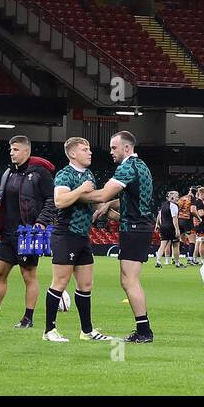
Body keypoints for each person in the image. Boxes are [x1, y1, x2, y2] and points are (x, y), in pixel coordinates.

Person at [0, 136, 56, 329]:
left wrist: (41, 222)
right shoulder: (8, 173)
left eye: (15, 149)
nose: (11, 152)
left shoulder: (41, 174)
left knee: (28, 275)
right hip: (8, 233)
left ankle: (28, 318)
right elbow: (1, 200)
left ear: (27, 151)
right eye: (11, 149)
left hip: (28, 233)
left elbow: (52, 200)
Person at [85, 131, 155, 342]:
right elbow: (129, 198)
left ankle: (144, 331)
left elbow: (103, 194)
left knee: (129, 280)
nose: (111, 152)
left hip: (134, 228)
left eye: (114, 148)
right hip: (140, 227)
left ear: (126, 148)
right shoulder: (141, 166)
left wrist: (75, 195)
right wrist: (108, 204)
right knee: (129, 280)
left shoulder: (127, 167)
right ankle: (143, 330)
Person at [43, 136, 112, 343]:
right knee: (60, 282)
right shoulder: (65, 175)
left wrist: (107, 206)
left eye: (89, 149)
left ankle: (87, 331)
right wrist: (82, 189)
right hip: (65, 234)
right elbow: (60, 201)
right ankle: (49, 330)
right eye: (84, 149)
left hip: (82, 235)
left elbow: (93, 201)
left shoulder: (89, 173)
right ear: (73, 153)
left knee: (86, 284)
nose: (89, 152)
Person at [154, 191, 180, 267]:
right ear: (172, 198)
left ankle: (158, 261)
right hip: (171, 227)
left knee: (163, 245)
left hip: (163, 226)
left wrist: (157, 225)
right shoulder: (174, 206)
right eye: (176, 197)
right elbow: (174, 218)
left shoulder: (163, 205)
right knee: (176, 244)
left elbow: (159, 215)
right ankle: (177, 263)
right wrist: (177, 230)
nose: (177, 198)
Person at [193, 186, 204, 263]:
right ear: (201, 193)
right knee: (202, 242)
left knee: (198, 242)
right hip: (200, 224)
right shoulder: (199, 202)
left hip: (198, 224)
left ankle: (194, 259)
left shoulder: (198, 201)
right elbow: (200, 214)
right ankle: (203, 259)